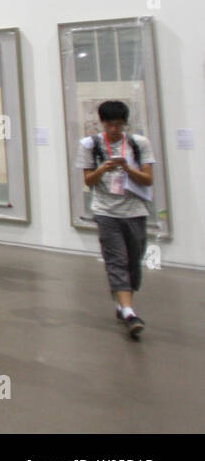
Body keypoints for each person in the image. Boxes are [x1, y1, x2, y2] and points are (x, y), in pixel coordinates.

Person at [78, 100, 155, 340]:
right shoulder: (90, 145)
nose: (114, 130)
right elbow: (88, 181)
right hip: (105, 211)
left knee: (134, 261)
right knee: (116, 260)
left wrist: (127, 169)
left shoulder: (138, 144)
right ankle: (130, 312)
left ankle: (123, 303)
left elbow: (148, 180)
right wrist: (104, 169)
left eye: (119, 125)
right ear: (102, 123)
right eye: (110, 124)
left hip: (135, 210)